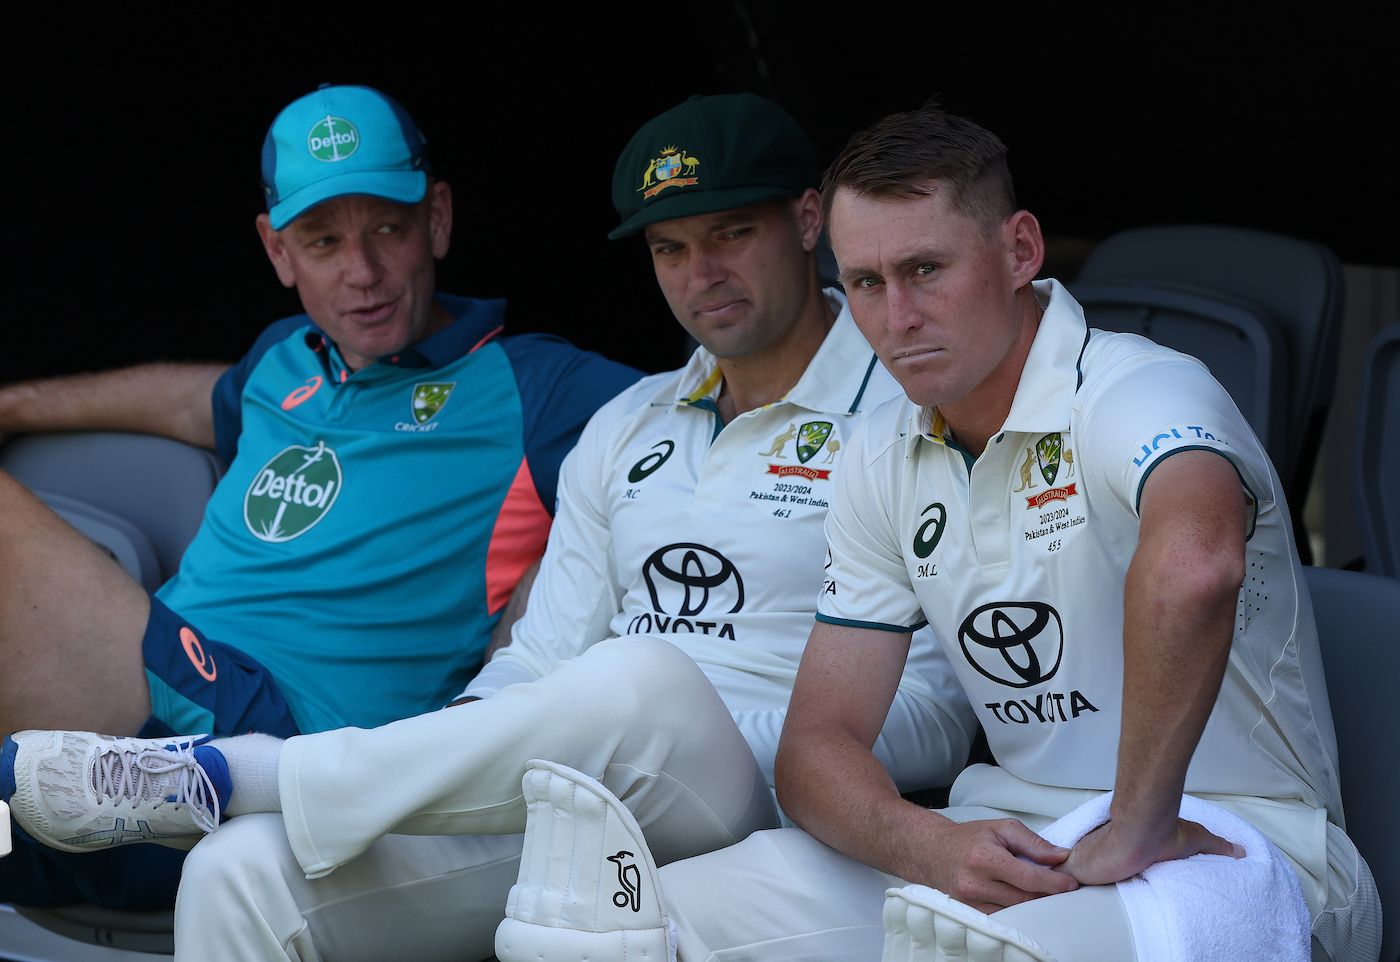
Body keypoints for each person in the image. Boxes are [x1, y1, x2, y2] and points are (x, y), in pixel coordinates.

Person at [2, 93, 977, 961]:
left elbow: (940, 712)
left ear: (805, 223)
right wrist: (493, 740)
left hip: (756, 776)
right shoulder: (627, 424)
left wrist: (767, 743)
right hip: (574, 773)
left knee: (640, 677)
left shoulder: (907, 411)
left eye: (731, 233)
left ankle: (243, 773)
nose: (702, 274)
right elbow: (535, 663)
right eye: (669, 249)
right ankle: (249, 790)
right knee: (240, 869)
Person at [633, 103, 1383, 961]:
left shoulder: (1143, 387)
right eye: (867, 283)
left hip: (1236, 852)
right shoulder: (879, 447)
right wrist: (928, 846)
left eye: (925, 269)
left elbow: (1197, 566)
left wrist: (1137, 822)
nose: (897, 317)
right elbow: (815, 749)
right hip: (1008, 834)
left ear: (1021, 250)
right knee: (646, 914)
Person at [0, 83, 641, 910]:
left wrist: (546, 592)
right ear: (278, 251)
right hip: (120, 781)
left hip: (275, 762)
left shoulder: (538, 388)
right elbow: (194, 399)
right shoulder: (283, 360)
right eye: (324, 240)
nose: (362, 274)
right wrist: (15, 406)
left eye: (388, 229)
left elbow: (703, 427)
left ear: (438, 219)